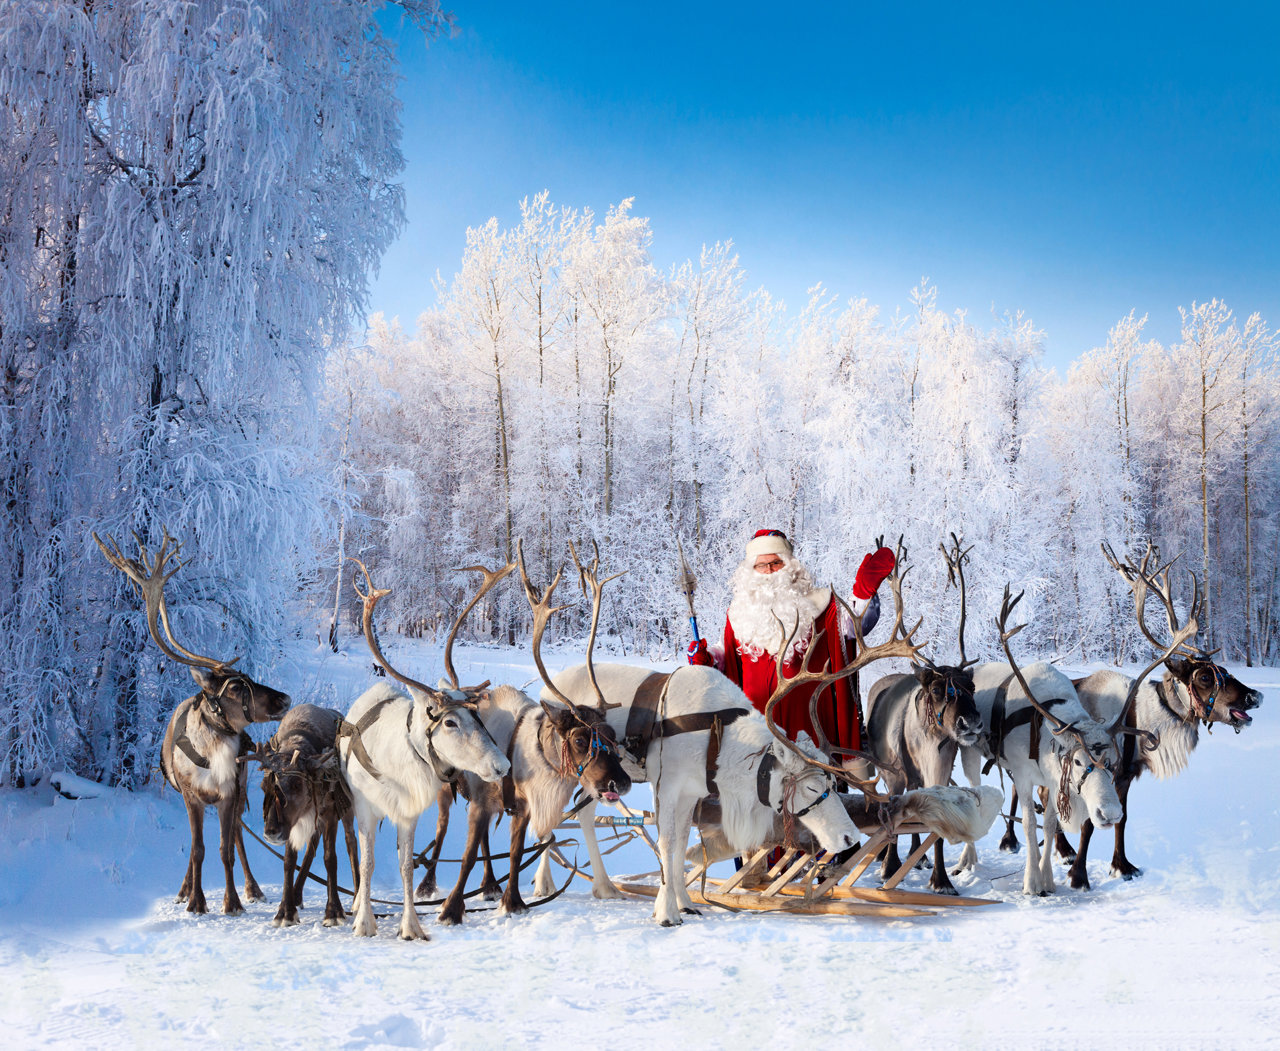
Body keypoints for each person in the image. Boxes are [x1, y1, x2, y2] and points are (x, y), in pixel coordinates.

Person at [687, 529, 896, 760]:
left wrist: (863, 592)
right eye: (761, 565)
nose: (769, 571)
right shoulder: (739, 612)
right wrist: (708, 658)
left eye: (776, 563)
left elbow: (853, 625)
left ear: (789, 565)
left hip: (809, 724)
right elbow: (727, 653)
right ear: (750, 571)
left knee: (811, 785)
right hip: (754, 726)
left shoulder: (820, 604)